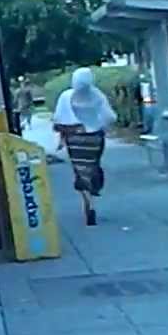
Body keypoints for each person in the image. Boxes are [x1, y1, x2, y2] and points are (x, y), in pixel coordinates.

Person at [51, 67, 117, 226]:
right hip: (94, 139)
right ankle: (93, 195)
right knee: (92, 167)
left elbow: (59, 120)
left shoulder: (66, 96)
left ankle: (88, 202)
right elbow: (110, 117)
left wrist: (62, 138)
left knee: (80, 171)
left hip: (75, 138)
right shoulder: (97, 95)